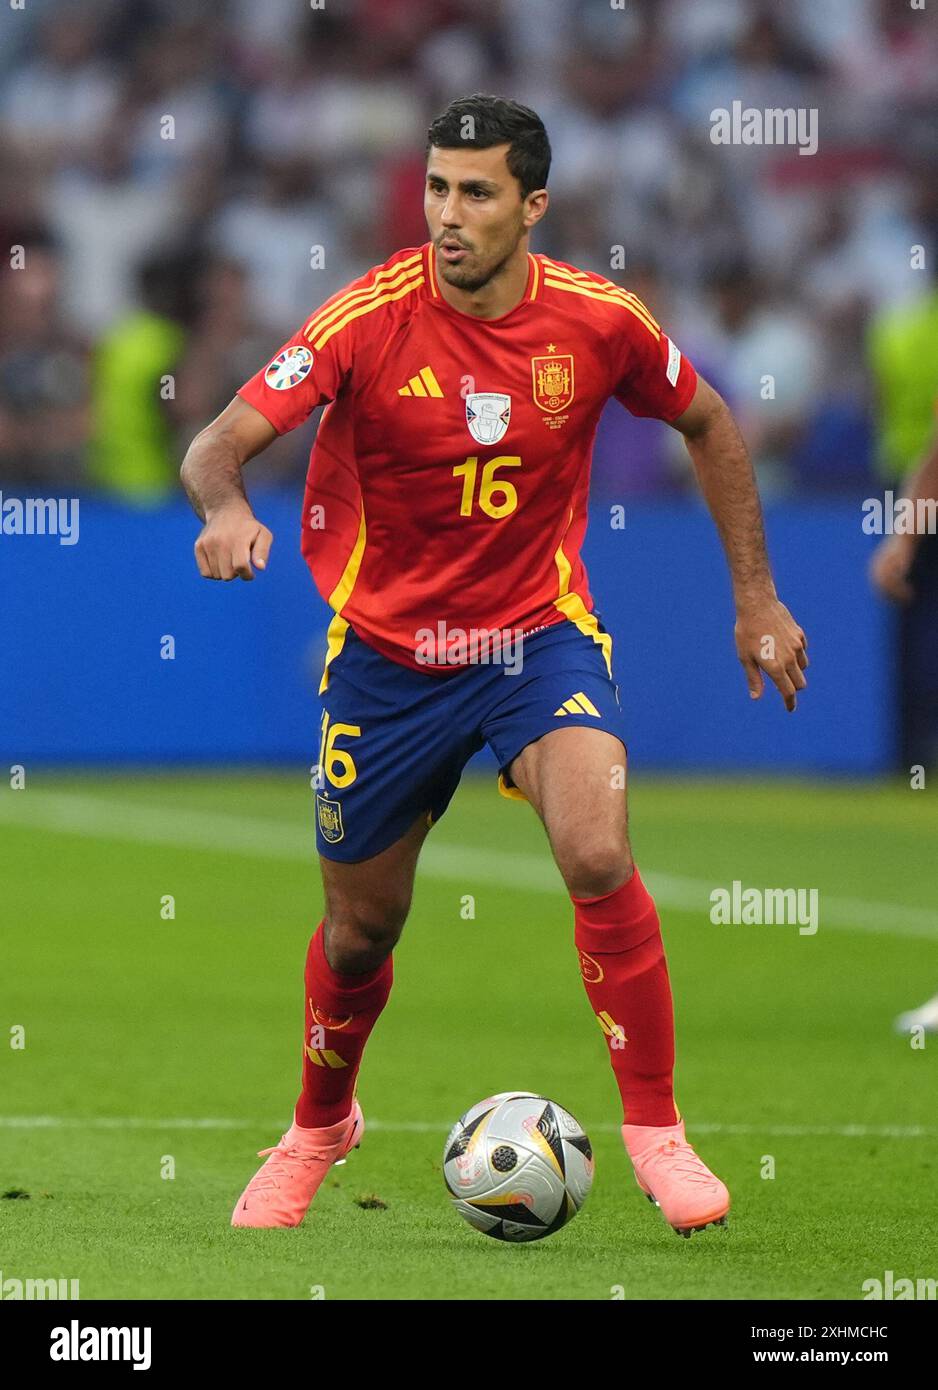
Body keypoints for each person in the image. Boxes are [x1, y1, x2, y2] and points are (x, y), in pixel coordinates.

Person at [180, 94, 808, 1238]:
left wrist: (755, 596)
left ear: (532, 205)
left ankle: (657, 1133)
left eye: (474, 192)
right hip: (386, 657)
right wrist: (224, 509)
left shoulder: (598, 319)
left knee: (595, 845)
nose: (446, 214)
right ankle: (320, 1125)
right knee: (361, 929)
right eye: (434, 188)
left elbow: (711, 423)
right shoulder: (365, 316)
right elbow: (215, 442)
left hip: (534, 639)